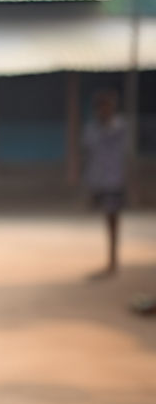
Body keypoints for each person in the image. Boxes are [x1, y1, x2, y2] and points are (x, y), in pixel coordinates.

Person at [81, 90, 128, 278]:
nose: (105, 110)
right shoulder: (92, 129)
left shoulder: (120, 127)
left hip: (116, 180)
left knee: (113, 219)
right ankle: (112, 259)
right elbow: (88, 154)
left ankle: (113, 259)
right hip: (100, 180)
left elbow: (127, 155)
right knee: (108, 219)